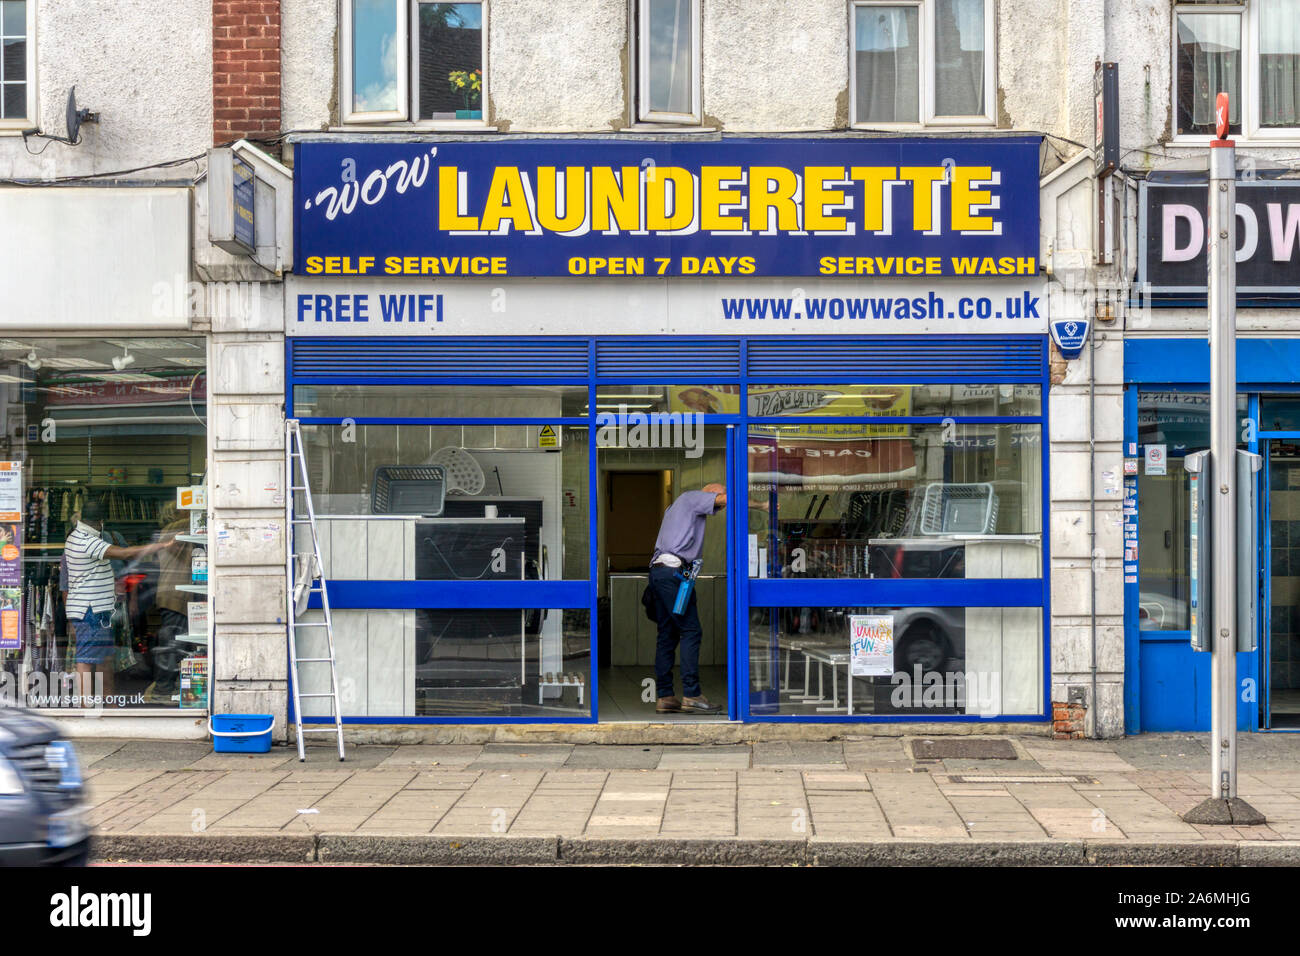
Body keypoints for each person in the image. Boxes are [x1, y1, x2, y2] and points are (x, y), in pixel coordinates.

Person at [64, 500, 170, 705]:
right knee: (86, 659)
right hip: (90, 609)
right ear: (100, 522)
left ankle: (108, 703)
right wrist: (161, 545)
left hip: (98, 609)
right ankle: (87, 707)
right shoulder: (86, 540)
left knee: (103, 658)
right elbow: (125, 553)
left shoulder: (78, 537)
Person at [648, 482, 726, 714]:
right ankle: (692, 694)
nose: (718, 510)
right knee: (691, 630)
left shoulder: (677, 508)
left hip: (661, 573)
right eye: (717, 501)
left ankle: (665, 696)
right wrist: (762, 503)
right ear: (711, 492)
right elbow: (724, 499)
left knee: (667, 633)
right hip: (673, 574)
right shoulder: (691, 499)